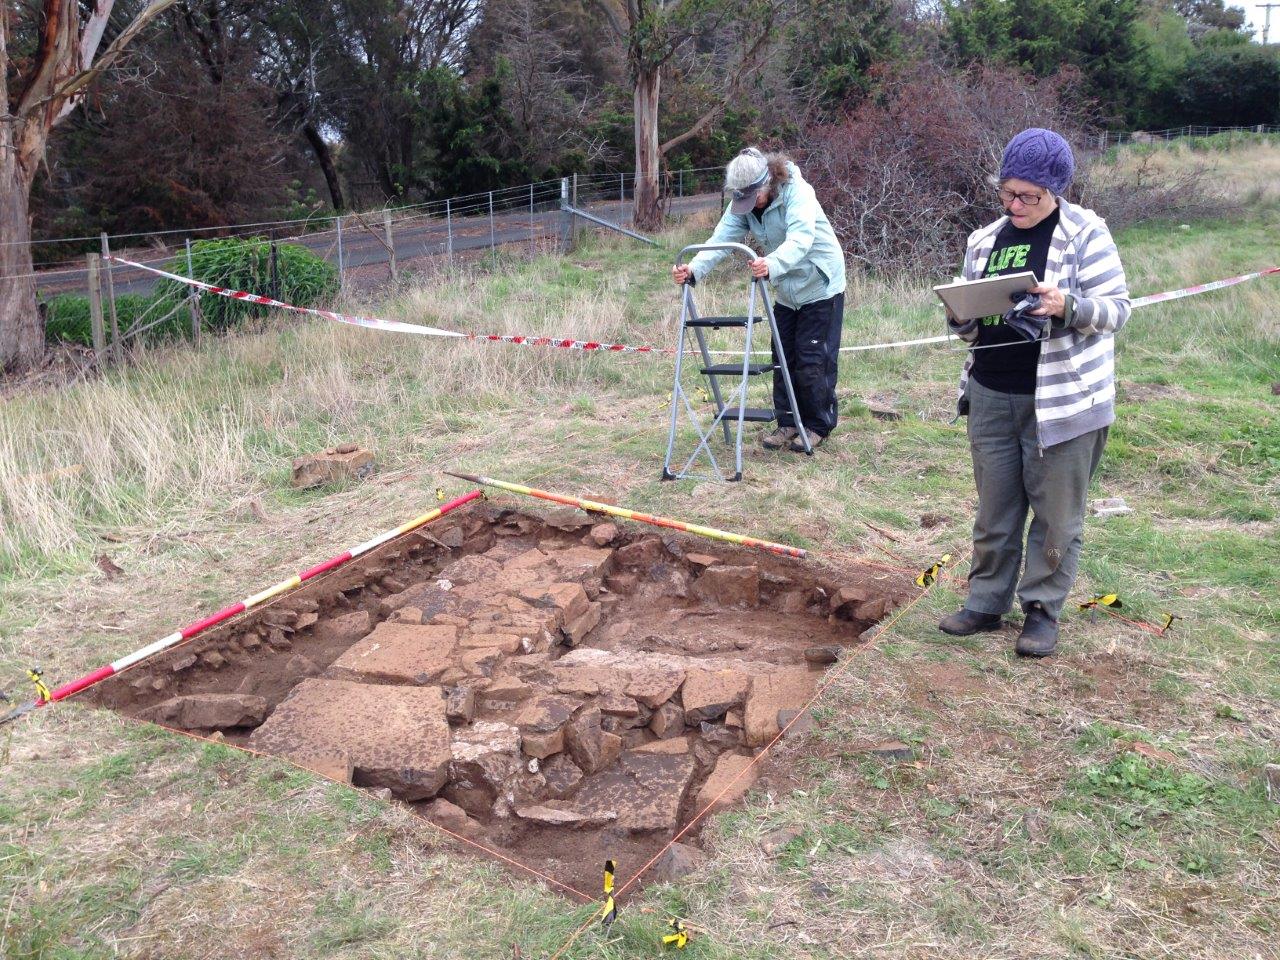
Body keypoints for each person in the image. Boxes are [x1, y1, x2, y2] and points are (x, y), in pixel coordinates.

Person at [938, 128, 1131, 658]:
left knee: (1056, 514)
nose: (1016, 204)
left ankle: (1042, 612)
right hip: (991, 395)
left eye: (1029, 196)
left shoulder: (1086, 233)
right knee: (995, 509)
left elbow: (1116, 309)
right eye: (1007, 192)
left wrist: (1066, 305)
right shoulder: (983, 240)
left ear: (1055, 191)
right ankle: (984, 602)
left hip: (1064, 402)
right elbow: (974, 328)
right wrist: (960, 318)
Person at [672, 147, 846, 452]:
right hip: (786, 291)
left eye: (752, 198)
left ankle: (817, 425)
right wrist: (694, 270)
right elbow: (721, 241)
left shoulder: (798, 192)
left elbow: (801, 239)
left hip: (821, 285)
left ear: (767, 182)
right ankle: (788, 422)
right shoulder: (744, 204)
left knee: (812, 361)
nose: (747, 206)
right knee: (782, 358)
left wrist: (772, 264)